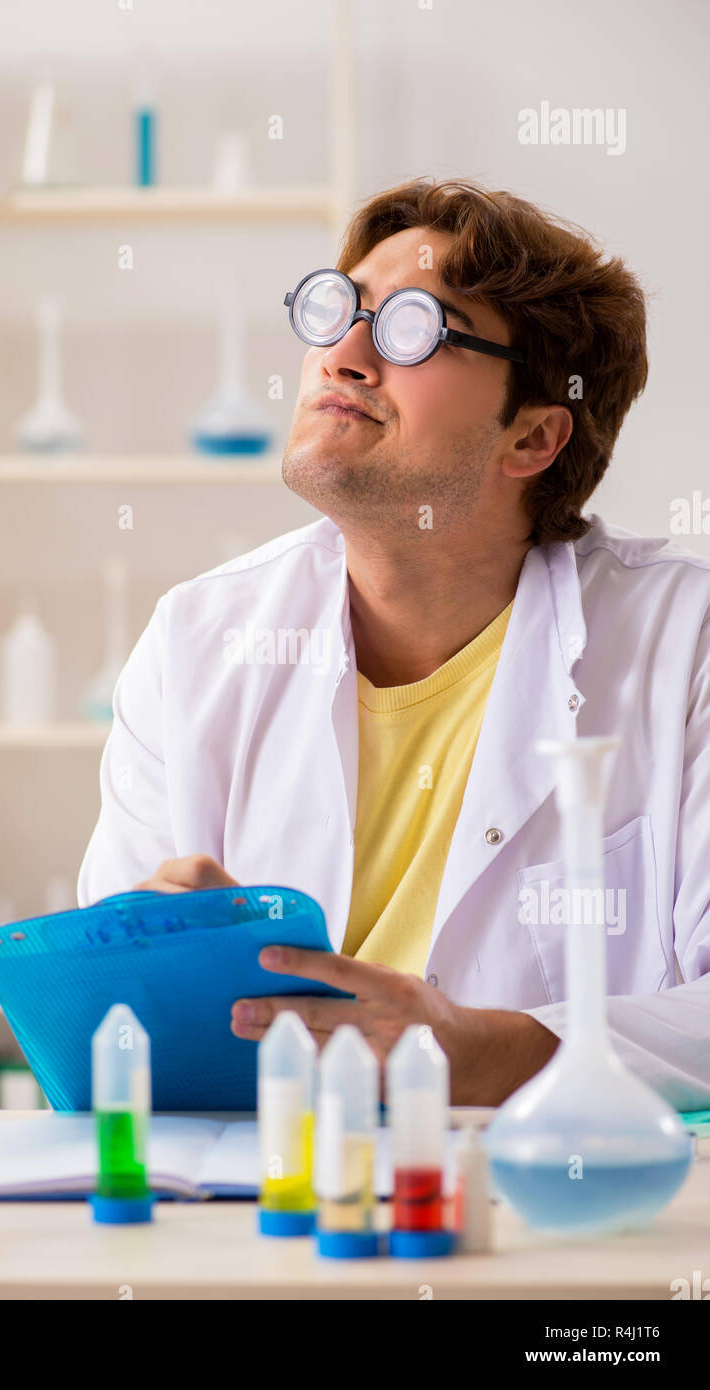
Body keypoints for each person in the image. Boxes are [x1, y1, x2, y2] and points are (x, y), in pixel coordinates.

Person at [79, 178, 710, 1109]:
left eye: (414, 328)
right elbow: (108, 1022)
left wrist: (478, 1051)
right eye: (338, 309)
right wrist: (149, 960)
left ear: (532, 436)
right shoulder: (200, 640)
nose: (342, 353)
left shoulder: (682, 642)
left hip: (558, 1211)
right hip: (265, 1196)